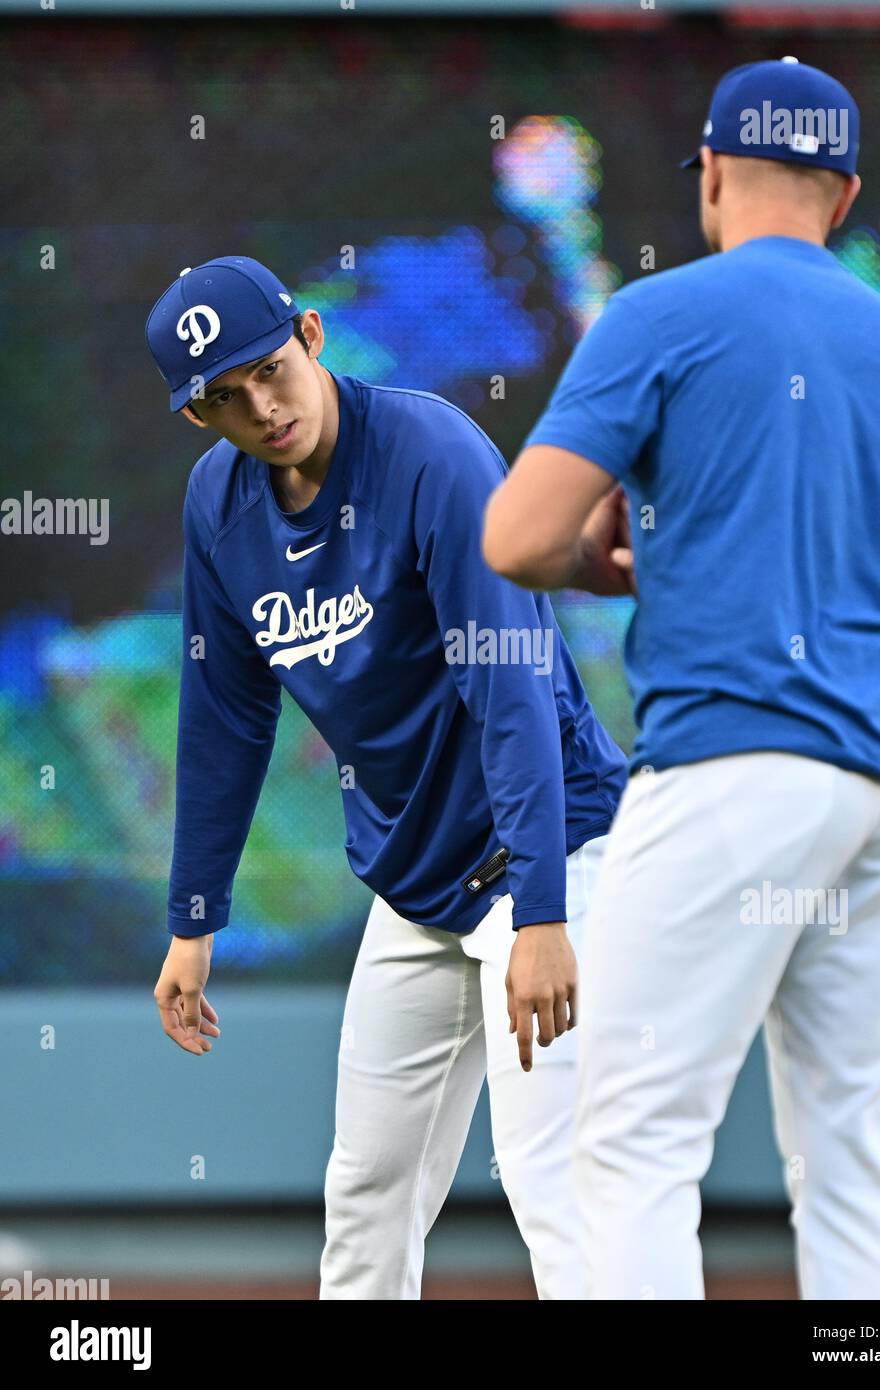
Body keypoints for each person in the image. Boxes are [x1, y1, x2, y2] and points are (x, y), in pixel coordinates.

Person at [482, 58, 880, 1300]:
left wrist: (622, 562)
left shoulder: (661, 315)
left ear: (709, 176)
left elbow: (515, 537)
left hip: (731, 772)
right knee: (856, 1156)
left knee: (635, 1135)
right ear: (847, 190)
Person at [144, 256, 627, 1299]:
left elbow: (515, 689)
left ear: (311, 336)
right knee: (365, 1193)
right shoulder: (219, 506)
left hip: (546, 858)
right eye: (224, 397)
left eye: (270, 369)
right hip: (415, 881)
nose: (261, 407)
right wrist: (194, 920)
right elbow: (226, 715)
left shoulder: (428, 452)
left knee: (562, 1191)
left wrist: (542, 912)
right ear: (197, 418)